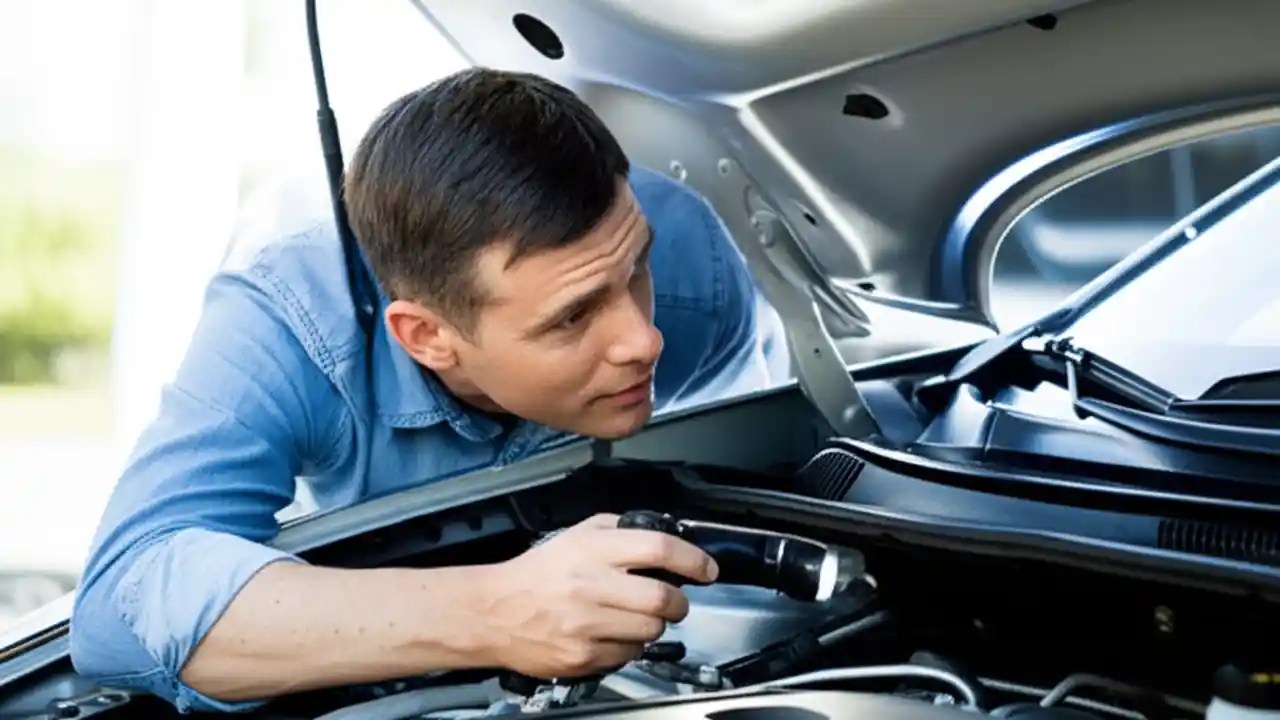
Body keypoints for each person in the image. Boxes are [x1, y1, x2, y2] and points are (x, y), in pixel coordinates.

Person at [69, 66, 779, 713]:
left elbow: (764, 447)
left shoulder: (696, 267)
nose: (644, 341)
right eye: (573, 315)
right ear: (426, 336)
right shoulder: (290, 323)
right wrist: (498, 610)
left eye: (637, 274)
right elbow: (123, 602)